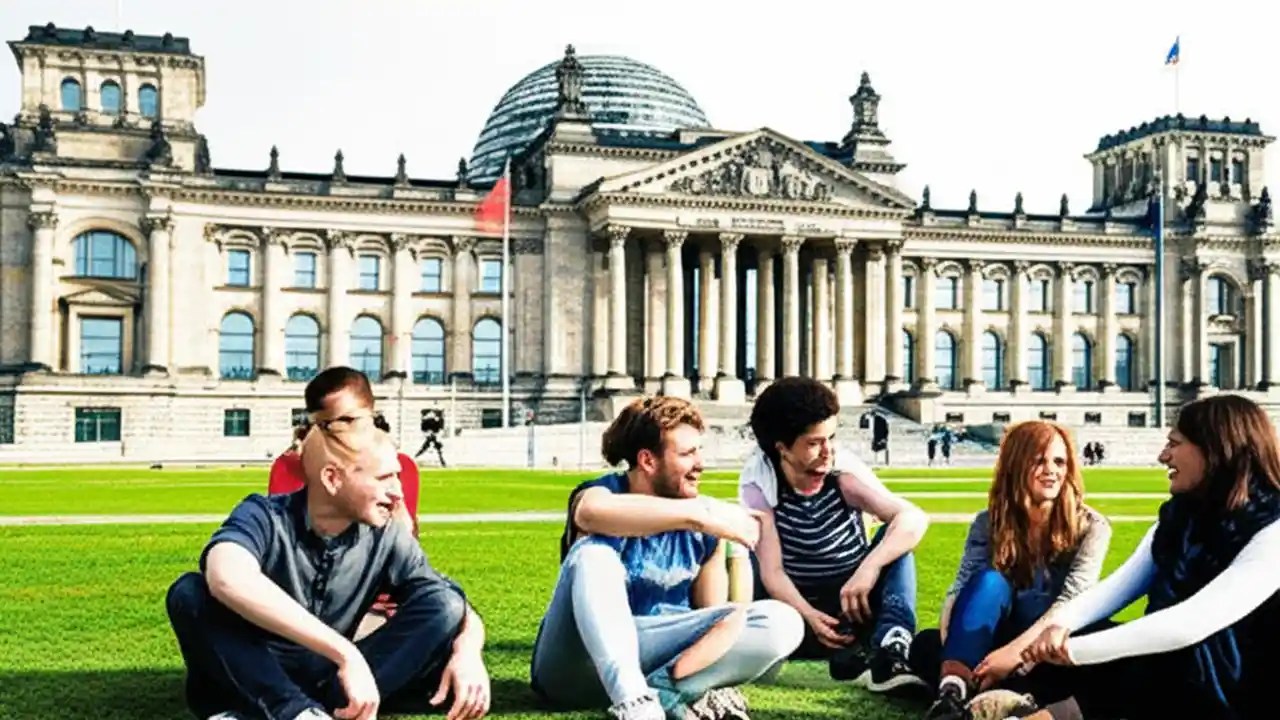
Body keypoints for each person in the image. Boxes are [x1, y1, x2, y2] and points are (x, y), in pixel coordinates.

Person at [165, 416, 490, 720]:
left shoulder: (386, 535)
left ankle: (294, 709)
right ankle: (292, 710)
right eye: (384, 478)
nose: (398, 493)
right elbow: (226, 577)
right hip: (252, 667)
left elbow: (447, 598)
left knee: (442, 605)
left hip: (328, 681)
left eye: (397, 476)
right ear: (332, 479)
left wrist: (468, 650)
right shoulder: (265, 515)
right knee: (189, 593)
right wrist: (346, 653)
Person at [529, 395, 805, 720]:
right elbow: (589, 513)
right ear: (647, 460)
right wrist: (699, 514)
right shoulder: (603, 494)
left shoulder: (704, 529)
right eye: (688, 453)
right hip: (575, 664)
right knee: (592, 555)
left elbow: (712, 617)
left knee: (782, 621)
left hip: (658, 659)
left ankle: (664, 694)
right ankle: (635, 704)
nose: (700, 464)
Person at [1018, 394, 1280, 720]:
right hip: (1174, 666)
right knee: (1100, 638)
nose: (1162, 456)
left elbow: (1192, 623)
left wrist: (1071, 651)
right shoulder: (1180, 516)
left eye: (1175, 443)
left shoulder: (1273, 528)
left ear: (1216, 449)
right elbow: (1116, 589)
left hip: (1241, 684)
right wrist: (1054, 632)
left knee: (1166, 653)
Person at [739, 376, 929, 692]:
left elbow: (913, 518)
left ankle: (891, 647)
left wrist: (869, 568)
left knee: (896, 545)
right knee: (748, 552)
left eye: (831, 438)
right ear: (782, 448)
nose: (828, 452)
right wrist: (810, 616)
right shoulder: (759, 485)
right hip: (799, 608)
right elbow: (771, 572)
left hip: (857, 602)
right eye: (814, 443)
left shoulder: (843, 476)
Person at [915, 420, 1111, 719]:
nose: (1052, 470)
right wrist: (954, 642)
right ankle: (952, 694)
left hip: (1050, 644)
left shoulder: (1092, 527)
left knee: (1103, 646)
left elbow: (1071, 604)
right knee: (979, 593)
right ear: (1017, 465)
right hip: (998, 635)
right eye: (1039, 461)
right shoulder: (988, 522)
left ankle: (988, 689)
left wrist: (1014, 655)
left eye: (1059, 461)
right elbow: (963, 586)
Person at [269, 367, 421, 535]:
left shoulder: (400, 467)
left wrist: (403, 524)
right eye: (319, 425)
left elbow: (408, 548)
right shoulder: (289, 467)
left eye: (346, 420)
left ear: (371, 416)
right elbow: (279, 539)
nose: (333, 434)